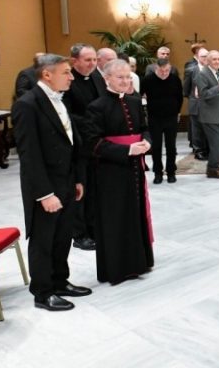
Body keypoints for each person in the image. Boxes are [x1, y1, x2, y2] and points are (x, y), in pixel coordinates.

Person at [12, 54, 91, 311]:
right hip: (45, 186)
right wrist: (44, 194)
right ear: (47, 75)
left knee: (62, 237)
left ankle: (60, 281)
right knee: (43, 240)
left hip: (66, 181)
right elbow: (30, 155)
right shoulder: (28, 104)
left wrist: (77, 179)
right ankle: (43, 292)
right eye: (66, 72)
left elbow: (70, 141)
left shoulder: (60, 99)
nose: (71, 77)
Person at [82, 59, 154, 285]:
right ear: (107, 79)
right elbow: (93, 143)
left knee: (135, 213)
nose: (125, 81)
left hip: (134, 168)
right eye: (120, 77)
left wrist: (147, 143)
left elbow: (144, 129)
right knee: (116, 218)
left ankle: (139, 262)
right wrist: (127, 150)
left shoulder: (134, 101)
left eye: (128, 76)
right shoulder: (96, 107)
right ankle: (118, 268)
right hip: (111, 171)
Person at [63, 43, 105, 251]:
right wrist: (92, 123)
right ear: (74, 61)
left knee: (95, 189)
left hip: (97, 143)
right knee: (81, 189)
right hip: (79, 144)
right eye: (88, 60)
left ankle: (94, 227)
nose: (92, 64)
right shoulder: (67, 81)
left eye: (95, 60)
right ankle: (79, 234)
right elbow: (66, 114)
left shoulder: (97, 77)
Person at [142, 58, 183, 184]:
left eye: (167, 70)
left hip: (171, 117)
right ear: (156, 69)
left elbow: (179, 97)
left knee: (171, 146)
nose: (165, 73)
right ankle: (158, 173)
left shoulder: (175, 79)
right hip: (155, 118)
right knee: (156, 146)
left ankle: (171, 172)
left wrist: (178, 112)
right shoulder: (148, 80)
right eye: (162, 71)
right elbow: (140, 95)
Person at [196, 50, 219, 179]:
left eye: (218, 59)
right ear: (208, 61)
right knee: (216, 143)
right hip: (210, 116)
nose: (217, 62)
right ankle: (212, 169)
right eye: (214, 59)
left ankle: (215, 166)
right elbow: (204, 94)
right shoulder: (202, 74)